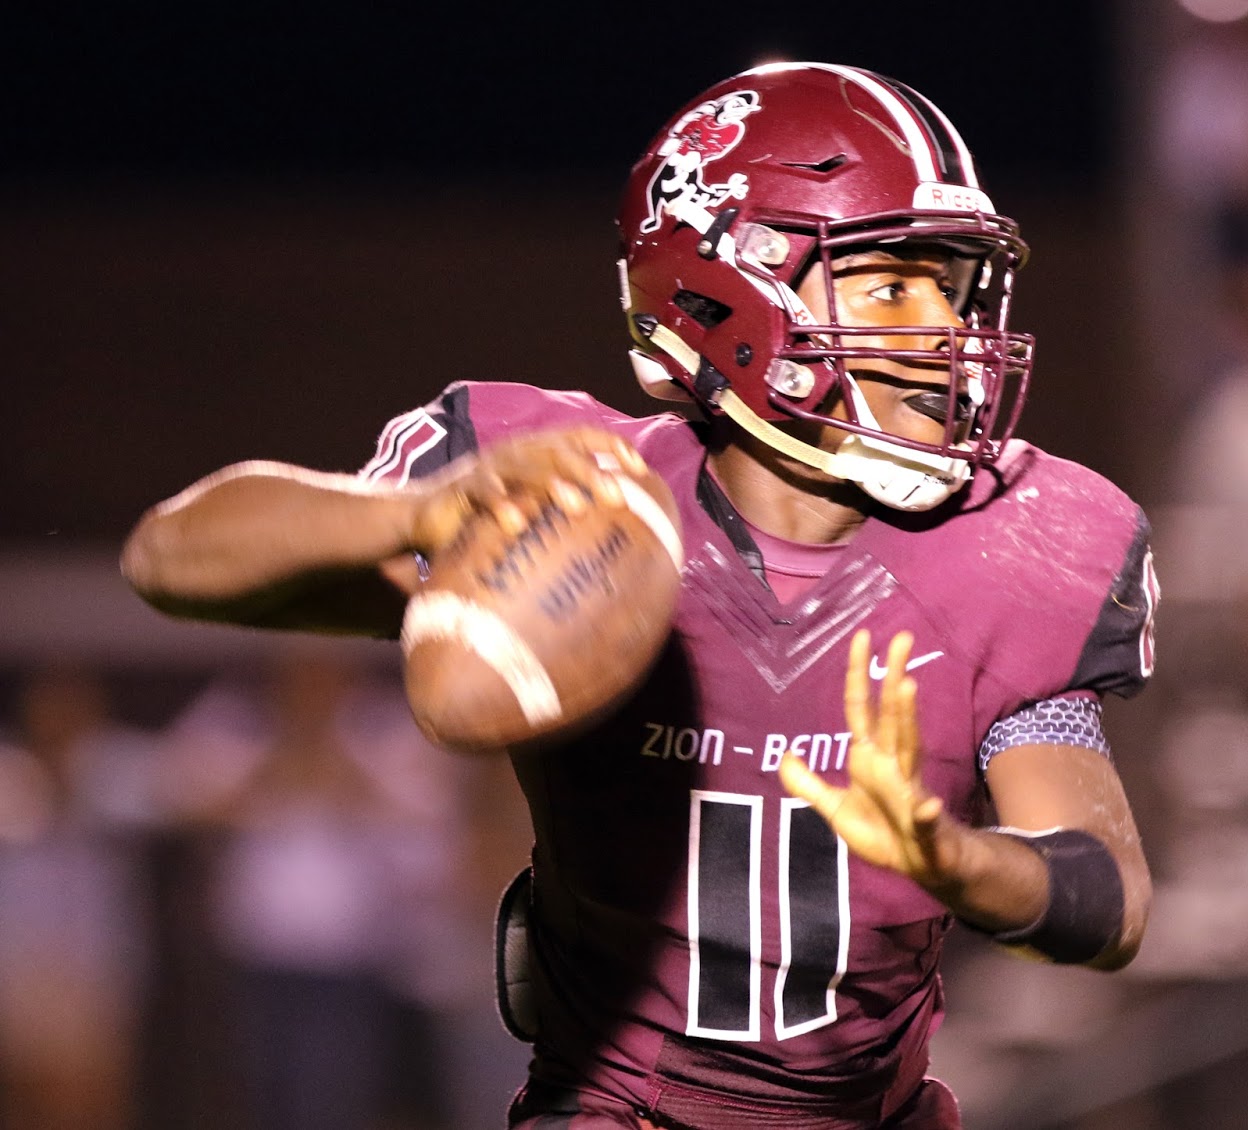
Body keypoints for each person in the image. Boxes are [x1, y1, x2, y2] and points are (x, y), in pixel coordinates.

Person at [121, 62, 1158, 1130]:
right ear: (731, 290)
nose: (943, 329)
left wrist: (955, 858)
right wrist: (407, 518)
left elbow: (1105, 897)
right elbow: (172, 555)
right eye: (894, 283)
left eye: (954, 285)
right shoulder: (575, 497)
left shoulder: (1021, 541)